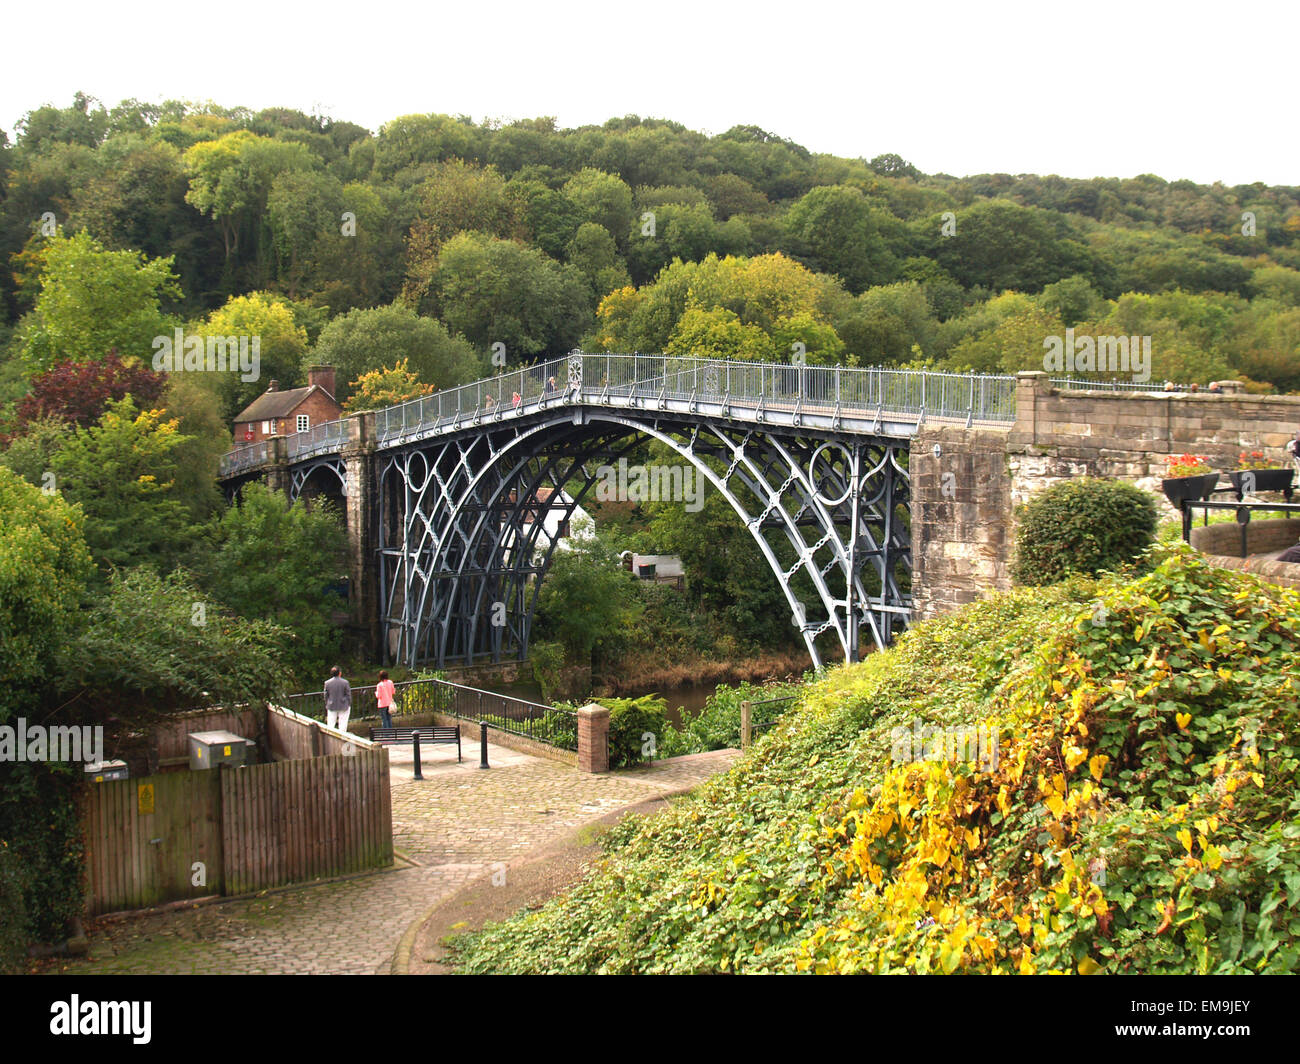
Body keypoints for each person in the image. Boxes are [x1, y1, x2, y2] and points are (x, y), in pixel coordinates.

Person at [324, 665, 352, 734]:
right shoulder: (345, 682)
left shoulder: (327, 683)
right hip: (344, 705)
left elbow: (325, 695)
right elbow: (348, 694)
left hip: (331, 705)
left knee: (330, 724)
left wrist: (327, 703)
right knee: (343, 724)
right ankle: (342, 738)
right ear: (340, 673)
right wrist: (349, 703)